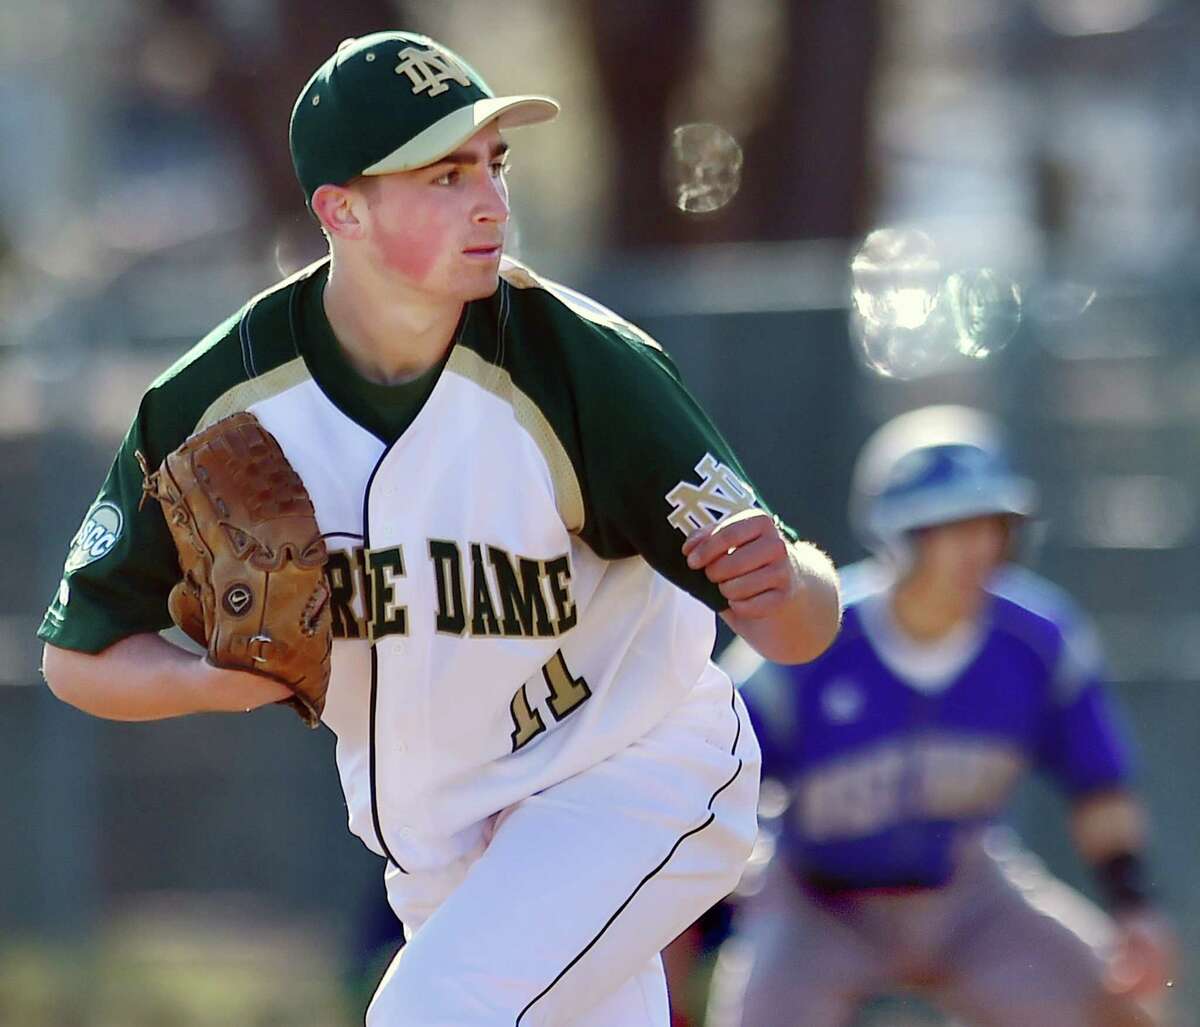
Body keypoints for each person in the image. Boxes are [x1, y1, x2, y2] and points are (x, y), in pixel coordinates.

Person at [37, 30, 840, 1027]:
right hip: (439, 851)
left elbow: (800, 625)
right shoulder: (223, 407)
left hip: (636, 773)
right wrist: (210, 680)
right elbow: (81, 656)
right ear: (343, 210)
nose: (493, 202)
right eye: (445, 174)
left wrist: (790, 582)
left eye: (493, 165)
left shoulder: (582, 366)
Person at [705, 405, 1177, 1027]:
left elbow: (1098, 788)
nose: (975, 549)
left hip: (967, 890)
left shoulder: (1037, 641)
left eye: (990, 527)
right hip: (820, 900)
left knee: (1121, 1010)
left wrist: (1133, 905)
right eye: (948, 529)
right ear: (896, 539)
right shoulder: (812, 637)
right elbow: (712, 773)